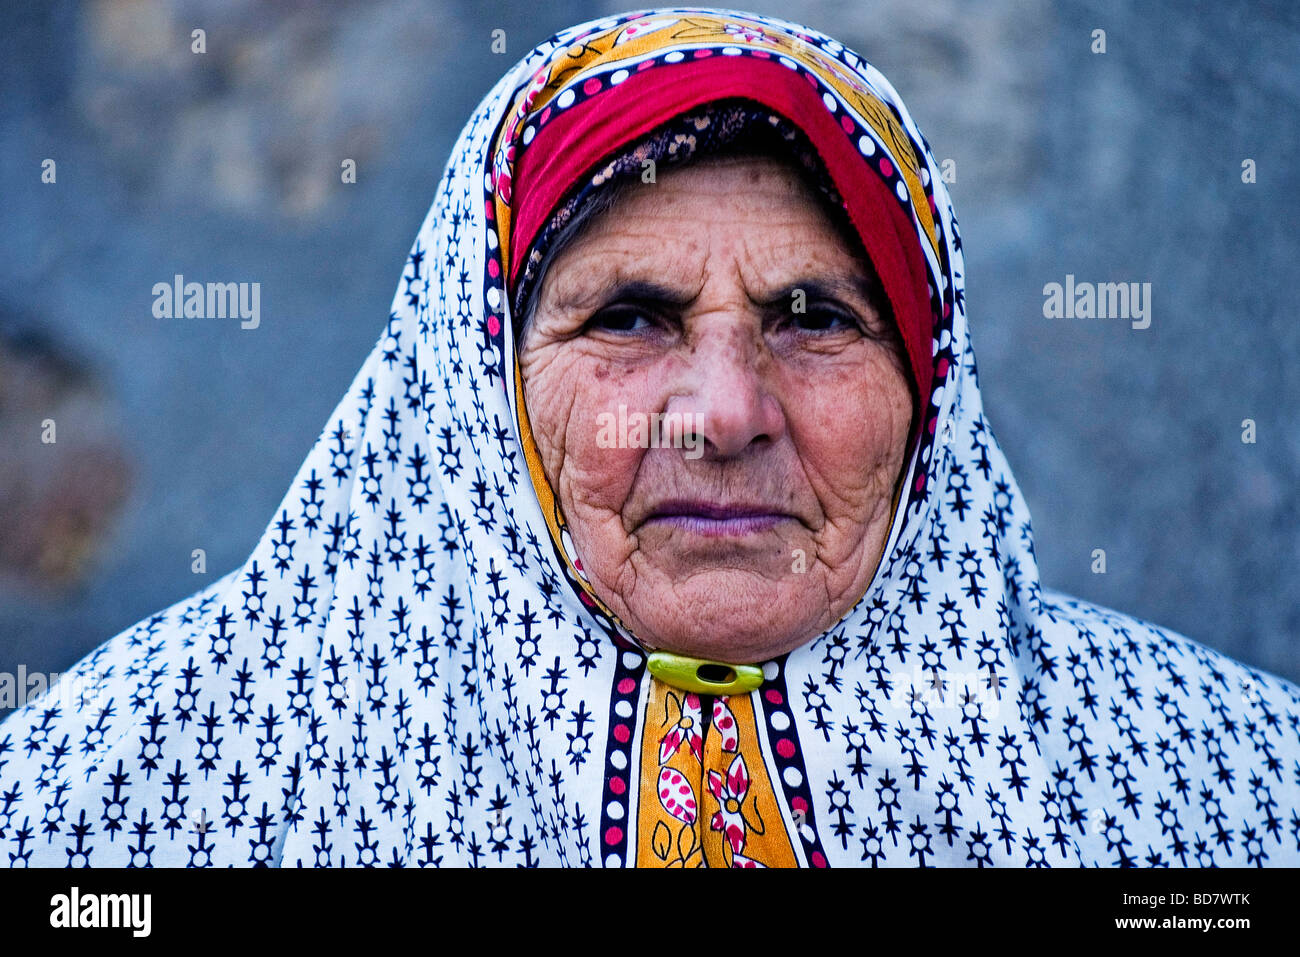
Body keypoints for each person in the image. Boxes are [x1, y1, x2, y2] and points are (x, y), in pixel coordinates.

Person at [2, 7, 1296, 868]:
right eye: (629, 316)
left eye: (814, 317)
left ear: (930, 390)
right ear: (480, 384)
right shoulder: (112, 806)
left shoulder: (1225, 798)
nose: (727, 414)